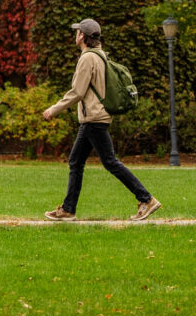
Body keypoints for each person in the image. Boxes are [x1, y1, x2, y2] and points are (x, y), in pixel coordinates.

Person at [39, 19, 161, 222]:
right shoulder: (100, 55)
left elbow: (78, 91)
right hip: (95, 117)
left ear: (82, 37)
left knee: (109, 162)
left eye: (77, 32)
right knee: (76, 161)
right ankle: (68, 209)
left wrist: (54, 109)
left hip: (93, 118)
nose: (75, 35)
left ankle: (146, 199)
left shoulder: (87, 58)